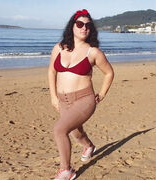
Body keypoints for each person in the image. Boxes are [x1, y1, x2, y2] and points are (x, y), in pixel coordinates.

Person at [48, 9, 114, 180]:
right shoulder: (59, 47)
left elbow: (109, 73)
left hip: (84, 99)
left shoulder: (93, 52)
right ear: (72, 26)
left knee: (59, 129)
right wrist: (53, 96)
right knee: (75, 133)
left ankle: (66, 170)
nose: (84, 28)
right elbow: (51, 72)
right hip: (63, 100)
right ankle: (89, 146)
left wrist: (102, 93)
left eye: (88, 25)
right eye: (80, 24)